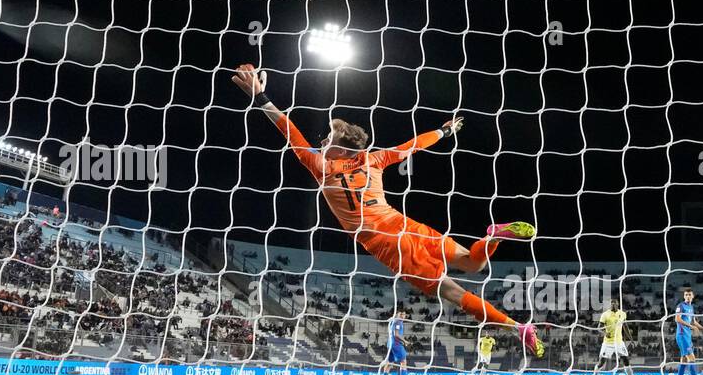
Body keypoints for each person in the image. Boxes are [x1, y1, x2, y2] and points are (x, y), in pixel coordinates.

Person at [230, 63, 544, 357]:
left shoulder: (321, 166)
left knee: (450, 290)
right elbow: (412, 145)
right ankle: (493, 236)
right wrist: (444, 132)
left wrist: (261, 98)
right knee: (473, 263)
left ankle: (518, 327)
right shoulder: (372, 159)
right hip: (406, 224)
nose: (322, 140)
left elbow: (289, 130)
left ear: (338, 147)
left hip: (388, 243)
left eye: (328, 137)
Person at [590, 301, 636, 375]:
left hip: (619, 342)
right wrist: (605, 334)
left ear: (617, 304)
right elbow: (599, 328)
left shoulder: (622, 314)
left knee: (626, 361)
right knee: (601, 363)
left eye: (614, 303)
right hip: (608, 343)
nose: (613, 305)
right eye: (611, 304)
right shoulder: (605, 314)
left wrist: (631, 339)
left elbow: (625, 327)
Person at [673, 287, 703, 375]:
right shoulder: (681, 306)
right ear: (684, 296)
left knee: (684, 360)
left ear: (692, 296)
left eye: (689, 295)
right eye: (686, 295)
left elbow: (694, 322)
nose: (688, 296)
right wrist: (690, 327)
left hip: (687, 336)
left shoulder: (691, 308)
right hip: (682, 335)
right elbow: (677, 319)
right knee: (692, 358)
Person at [380, 309, 408, 375]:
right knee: (403, 361)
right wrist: (404, 341)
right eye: (401, 314)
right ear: (398, 315)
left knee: (390, 362)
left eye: (404, 314)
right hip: (396, 344)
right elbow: (396, 334)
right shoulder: (398, 322)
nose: (403, 316)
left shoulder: (393, 322)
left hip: (390, 343)